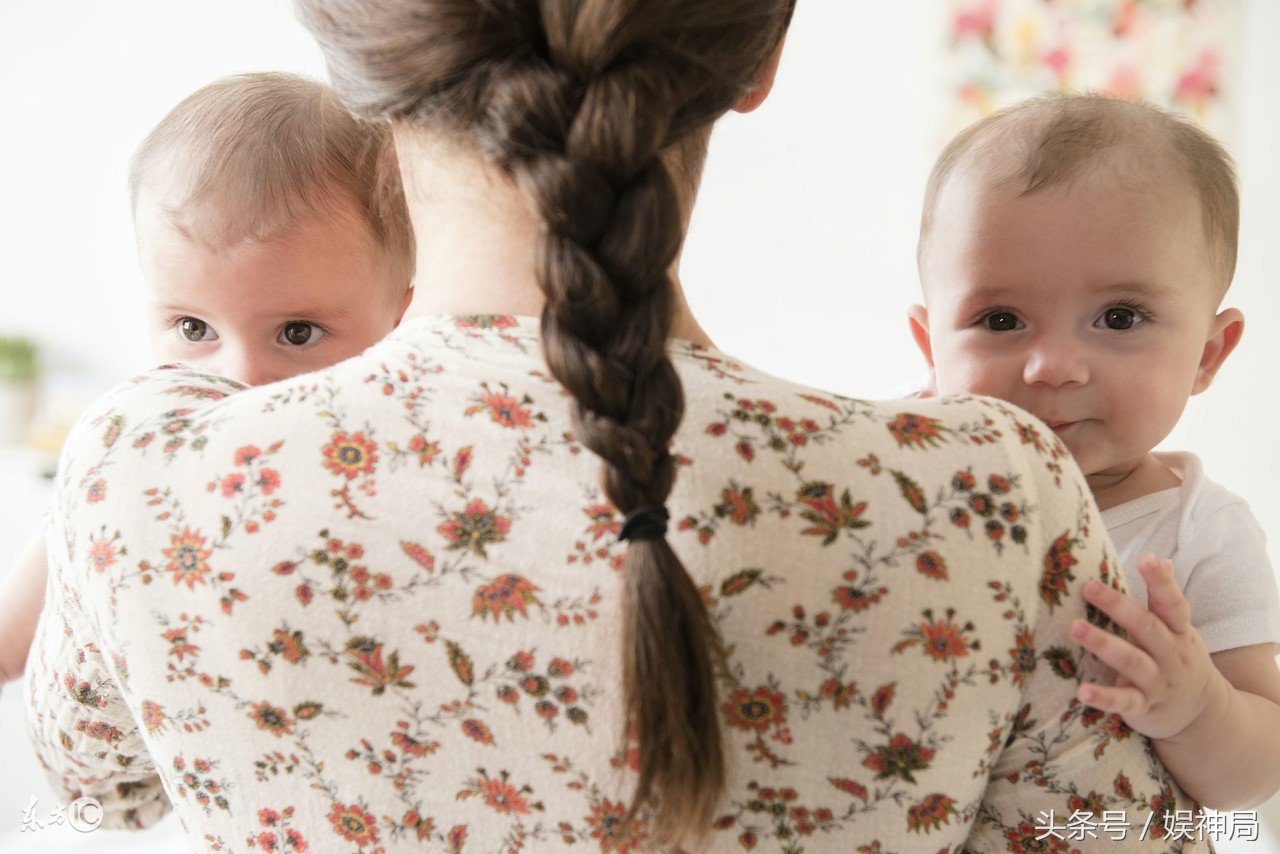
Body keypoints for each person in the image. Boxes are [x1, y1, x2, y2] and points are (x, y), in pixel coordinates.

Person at [27, 5, 1202, 851]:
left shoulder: (144, 476)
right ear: (759, 54)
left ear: (348, 48)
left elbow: (98, 788)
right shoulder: (988, 494)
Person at [908, 92, 1280, 812]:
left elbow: (1260, 773)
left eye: (1118, 317)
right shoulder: (900, 456)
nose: (1053, 366)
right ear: (930, 349)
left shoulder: (1197, 533)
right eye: (1000, 319)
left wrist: (1196, 707)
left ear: (1208, 354)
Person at [0, 71, 414, 690]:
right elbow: (11, 642)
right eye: (194, 329)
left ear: (400, 321)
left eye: (297, 332)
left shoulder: (406, 450)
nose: (240, 378)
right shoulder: (133, 457)